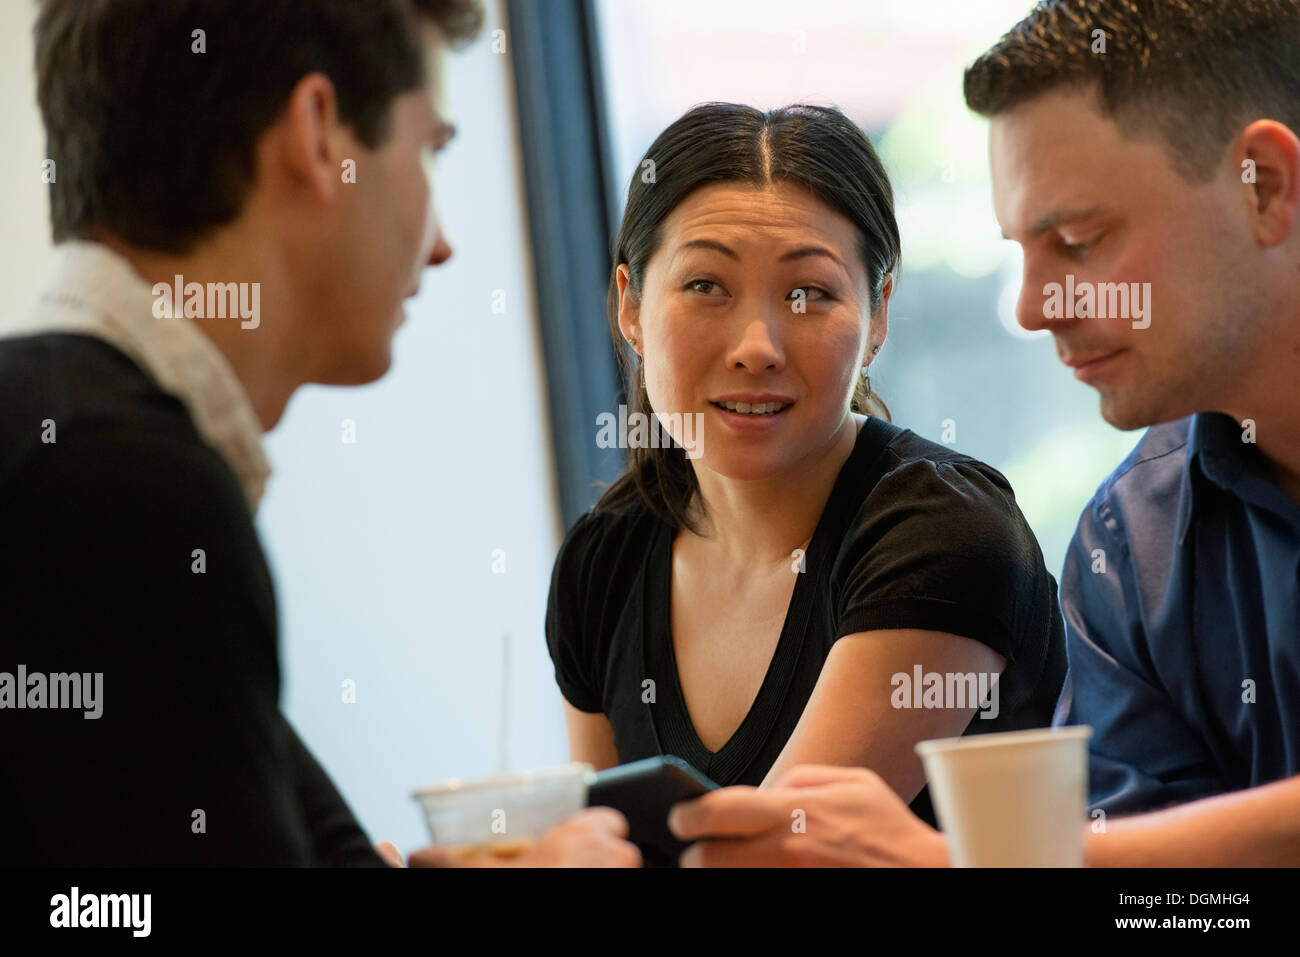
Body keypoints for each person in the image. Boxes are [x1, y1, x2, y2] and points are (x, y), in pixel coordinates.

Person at [0, 0, 637, 868]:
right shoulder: (124, 490)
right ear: (320, 133)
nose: (442, 245)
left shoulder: (70, 447)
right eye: (429, 150)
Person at [667, 0, 1300, 867]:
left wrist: (962, 866)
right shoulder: (1135, 543)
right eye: (1022, 251)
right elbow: (1190, 914)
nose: (1032, 307)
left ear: (1262, 184)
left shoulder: (958, 530)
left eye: (1079, 240)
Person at [545, 102, 1067, 830]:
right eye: (705, 286)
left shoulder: (945, 535)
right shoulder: (602, 563)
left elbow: (769, 854)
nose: (757, 345)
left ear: (878, 314)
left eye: (810, 293)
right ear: (630, 306)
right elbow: (606, 848)